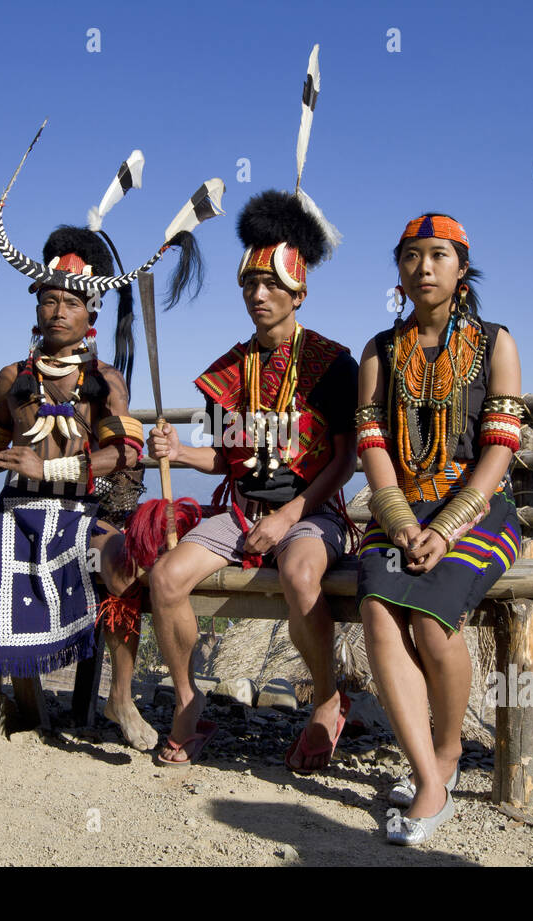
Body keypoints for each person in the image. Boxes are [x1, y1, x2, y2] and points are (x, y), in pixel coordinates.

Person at [0, 142, 211, 793]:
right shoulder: (13, 377)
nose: (55, 310)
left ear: (90, 314)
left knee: (127, 566)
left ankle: (120, 698)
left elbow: (125, 455)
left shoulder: (106, 382)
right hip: (14, 521)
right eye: (46, 300)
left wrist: (57, 464)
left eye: (69, 302)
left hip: (77, 523)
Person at [147, 189, 358, 769]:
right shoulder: (228, 370)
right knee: (165, 579)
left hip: (311, 514)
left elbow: (345, 461)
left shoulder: (333, 363)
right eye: (248, 285)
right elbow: (225, 458)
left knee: (298, 572)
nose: (257, 295)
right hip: (239, 513)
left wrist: (291, 516)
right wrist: (180, 453)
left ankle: (326, 699)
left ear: (298, 290)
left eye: (270, 285)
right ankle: (189, 704)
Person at [356, 212, 527, 846]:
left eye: (437, 255)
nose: (423, 267)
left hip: (479, 510)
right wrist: (399, 521)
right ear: (398, 271)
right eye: (410, 257)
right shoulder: (381, 349)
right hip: (401, 510)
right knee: (378, 606)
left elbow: (500, 446)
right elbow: (372, 440)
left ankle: (449, 750)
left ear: (460, 268)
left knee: (430, 618)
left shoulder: (494, 342)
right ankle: (429, 777)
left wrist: (450, 526)